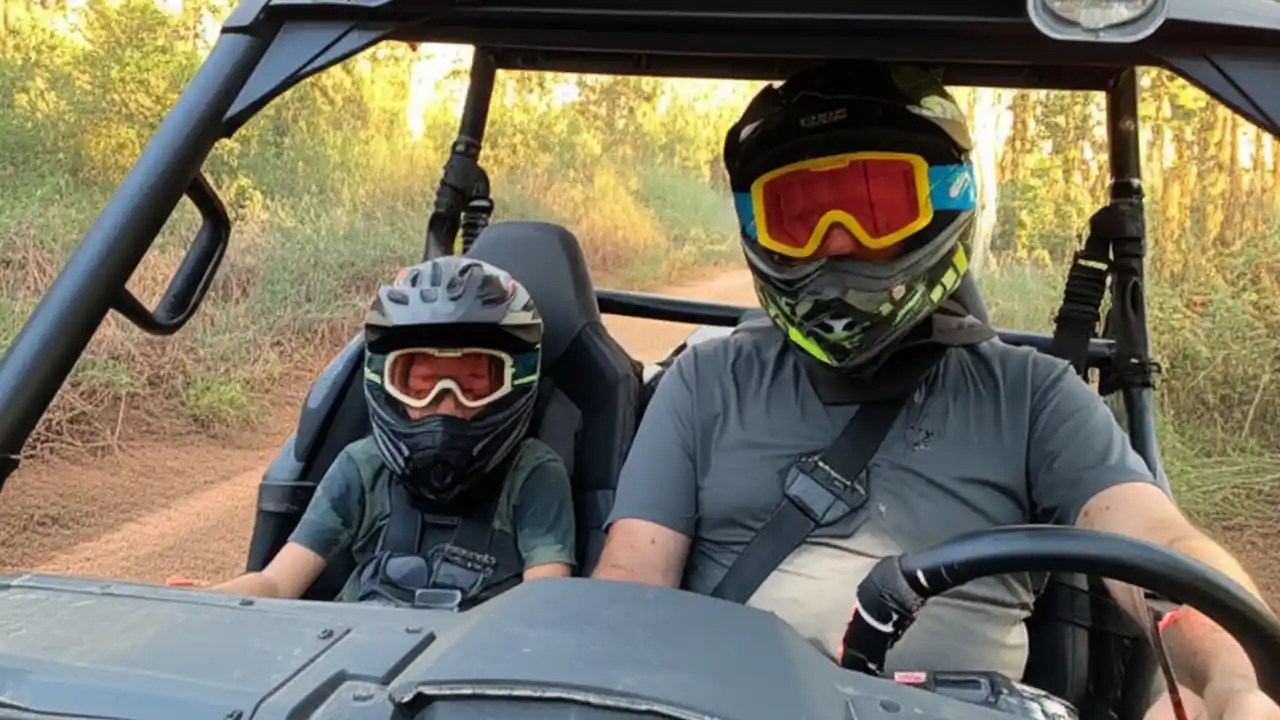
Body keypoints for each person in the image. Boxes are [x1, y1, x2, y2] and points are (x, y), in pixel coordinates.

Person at [591, 61, 1277, 719]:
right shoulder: (707, 381)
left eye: (873, 207)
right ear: (757, 231)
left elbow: (1159, 545)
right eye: (800, 217)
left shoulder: (1033, 396)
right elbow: (629, 584)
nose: (838, 244)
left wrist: (1231, 676)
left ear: (942, 203)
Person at [199, 256, 576, 607]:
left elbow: (543, 607)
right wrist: (206, 604)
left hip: (477, 670)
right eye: (422, 385)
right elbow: (276, 584)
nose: (446, 404)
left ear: (514, 383)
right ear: (389, 385)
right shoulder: (363, 466)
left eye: (473, 384)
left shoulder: (534, 474)